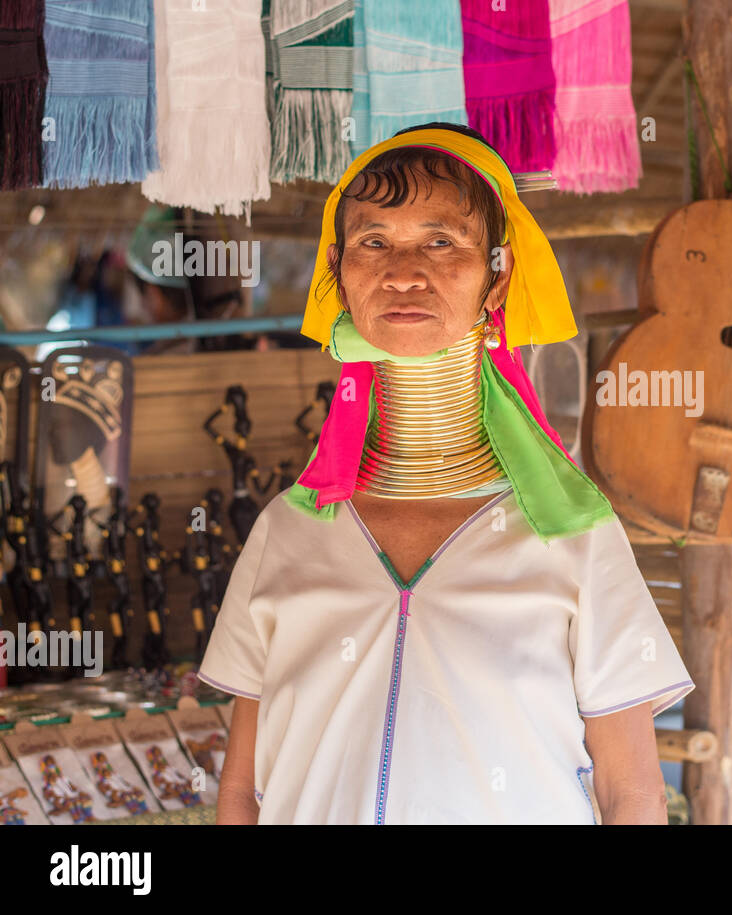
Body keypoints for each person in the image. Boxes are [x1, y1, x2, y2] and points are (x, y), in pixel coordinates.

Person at [197, 123, 694, 825]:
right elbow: (242, 791)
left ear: (500, 273)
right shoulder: (288, 531)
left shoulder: (574, 536)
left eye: (441, 240)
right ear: (338, 269)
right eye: (374, 241)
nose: (404, 270)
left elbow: (633, 794)